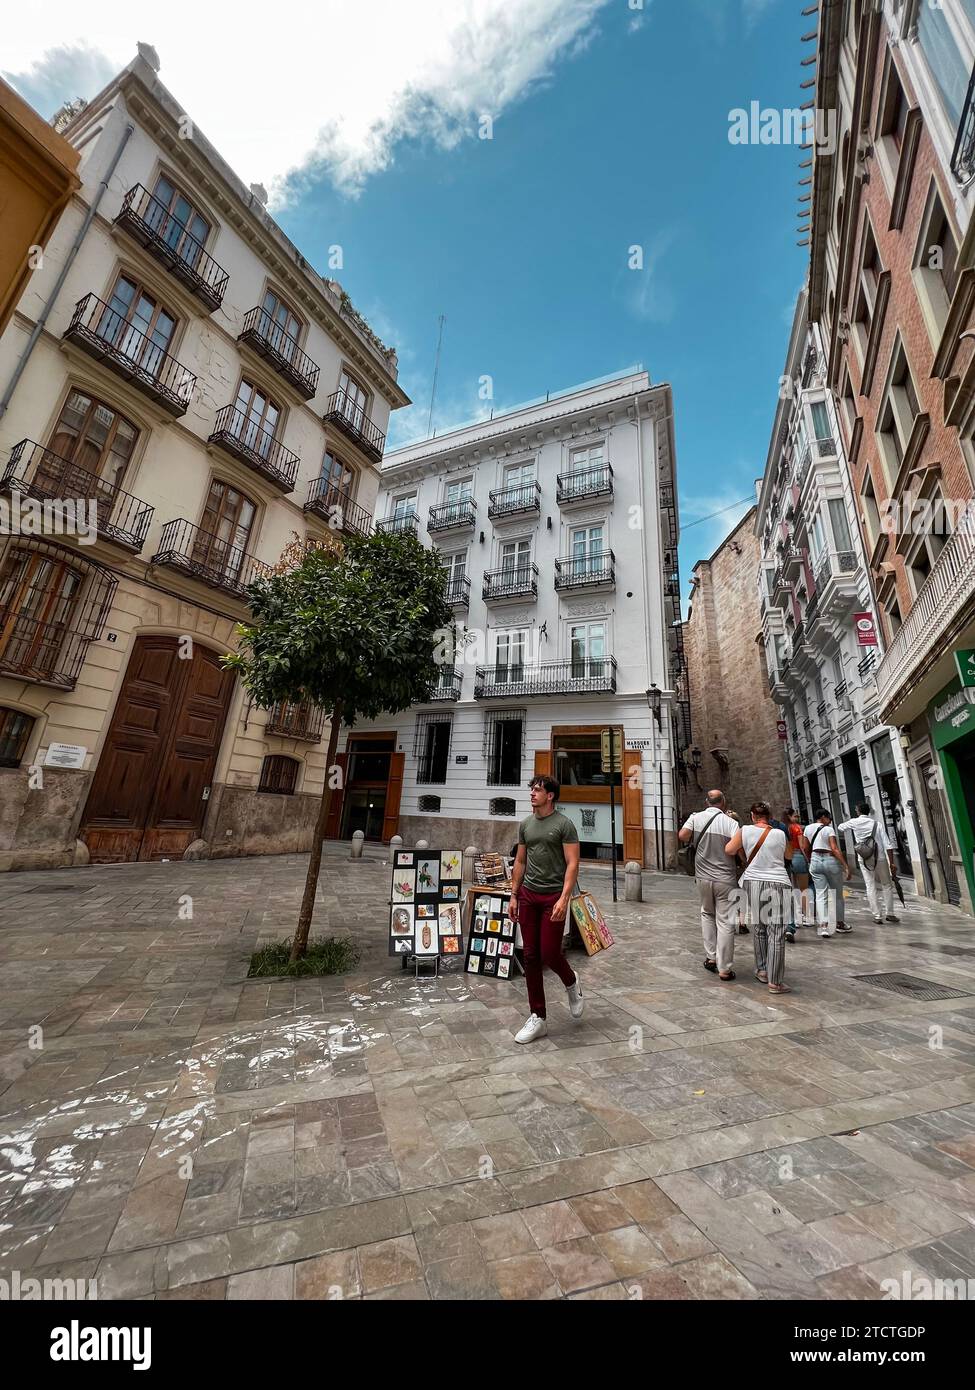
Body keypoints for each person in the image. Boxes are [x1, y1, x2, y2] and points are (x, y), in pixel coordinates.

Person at [508, 774, 583, 1044]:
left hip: (553, 896)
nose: (532, 794)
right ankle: (538, 1017)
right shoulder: (526, 825)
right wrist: (514, 895)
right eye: (531, 790)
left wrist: (564, 899)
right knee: (529, 957)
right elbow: (520, 861)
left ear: (550, 795)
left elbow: (572, 863)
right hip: (528, 895)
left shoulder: (564, 825)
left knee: (550, 953)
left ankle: (571, 981)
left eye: (537, 790)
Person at [726, 801, 793, 994]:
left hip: (753, 881)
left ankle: (762, 970)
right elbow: (788, 855)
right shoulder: (779, 833)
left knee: (760, 929)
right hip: (778, 883)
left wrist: (745, 853)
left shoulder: (745, 830)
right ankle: (775, 981)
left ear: (753, 816)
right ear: (769, 816)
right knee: (777, 933)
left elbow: (729, 849)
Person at [678, 789, 741, 981]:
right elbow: (737, 848)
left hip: (703, 877)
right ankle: (725, 968)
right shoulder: (731, 823)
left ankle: (710, 957)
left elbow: (682, 835)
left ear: (707, 802)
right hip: (725, 878)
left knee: (707, 913)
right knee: (725, 920)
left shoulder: (695, 818)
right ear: (723, 802)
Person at [838, 802, 900, 924]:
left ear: (858, 811)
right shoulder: (877, 824)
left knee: (870, 885)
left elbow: (840, 827)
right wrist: (891, 863)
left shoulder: (854, 822)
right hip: (880, 857)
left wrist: (855, 829)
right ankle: (890, 913)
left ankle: (877, 916)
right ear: (869, 811)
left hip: (864, 858)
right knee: (886, 885)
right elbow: (888, 845)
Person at [801, 808, 852, 937]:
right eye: (829, 819)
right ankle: (840, 923)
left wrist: (810, 859)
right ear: (823, 817)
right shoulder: (828, 829)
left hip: (815, 860)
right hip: (829, 860)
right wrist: (846, 866)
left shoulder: (808, 828)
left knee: (820, 894)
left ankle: (823, 926)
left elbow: (806, 847)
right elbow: (834, 848)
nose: (829, 822)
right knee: (837, 894)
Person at [784, 808, 810, 942]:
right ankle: (806, 917)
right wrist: (807, 859)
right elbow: (802, 846)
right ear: (789, 816)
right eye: (795, 815)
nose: (797, 817)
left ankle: (796, 918)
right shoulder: (796, 828)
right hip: (798, 856)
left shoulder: (783, 828)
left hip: (787, 858)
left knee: (792, 889)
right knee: (803, 889)